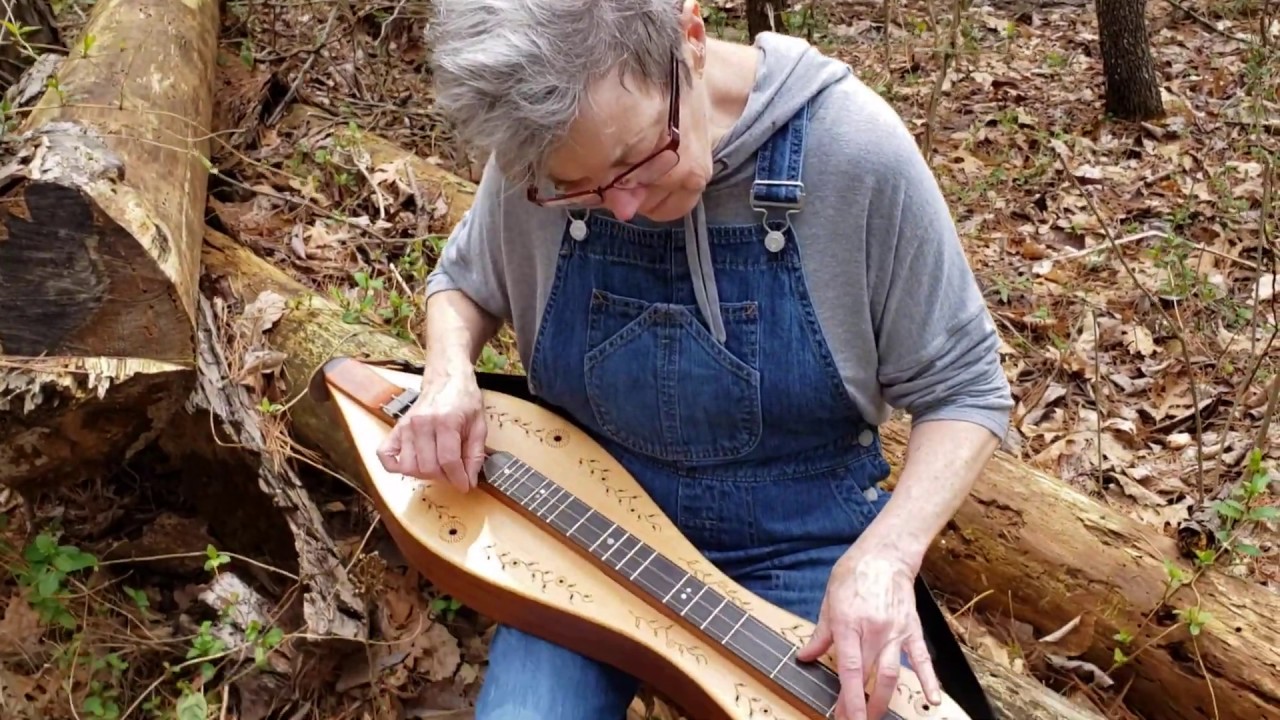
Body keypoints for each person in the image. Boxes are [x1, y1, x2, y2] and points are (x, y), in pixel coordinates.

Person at [376, 2, 1013, 718]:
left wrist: (888, 556)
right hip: (588, 526)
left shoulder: (853, 149)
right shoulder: (546, 155)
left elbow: (967, 391)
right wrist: (448, 370)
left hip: (806, 542)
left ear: (692, 41)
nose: (621, 206)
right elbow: (464, 282)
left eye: (635, 158)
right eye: (583, 186)